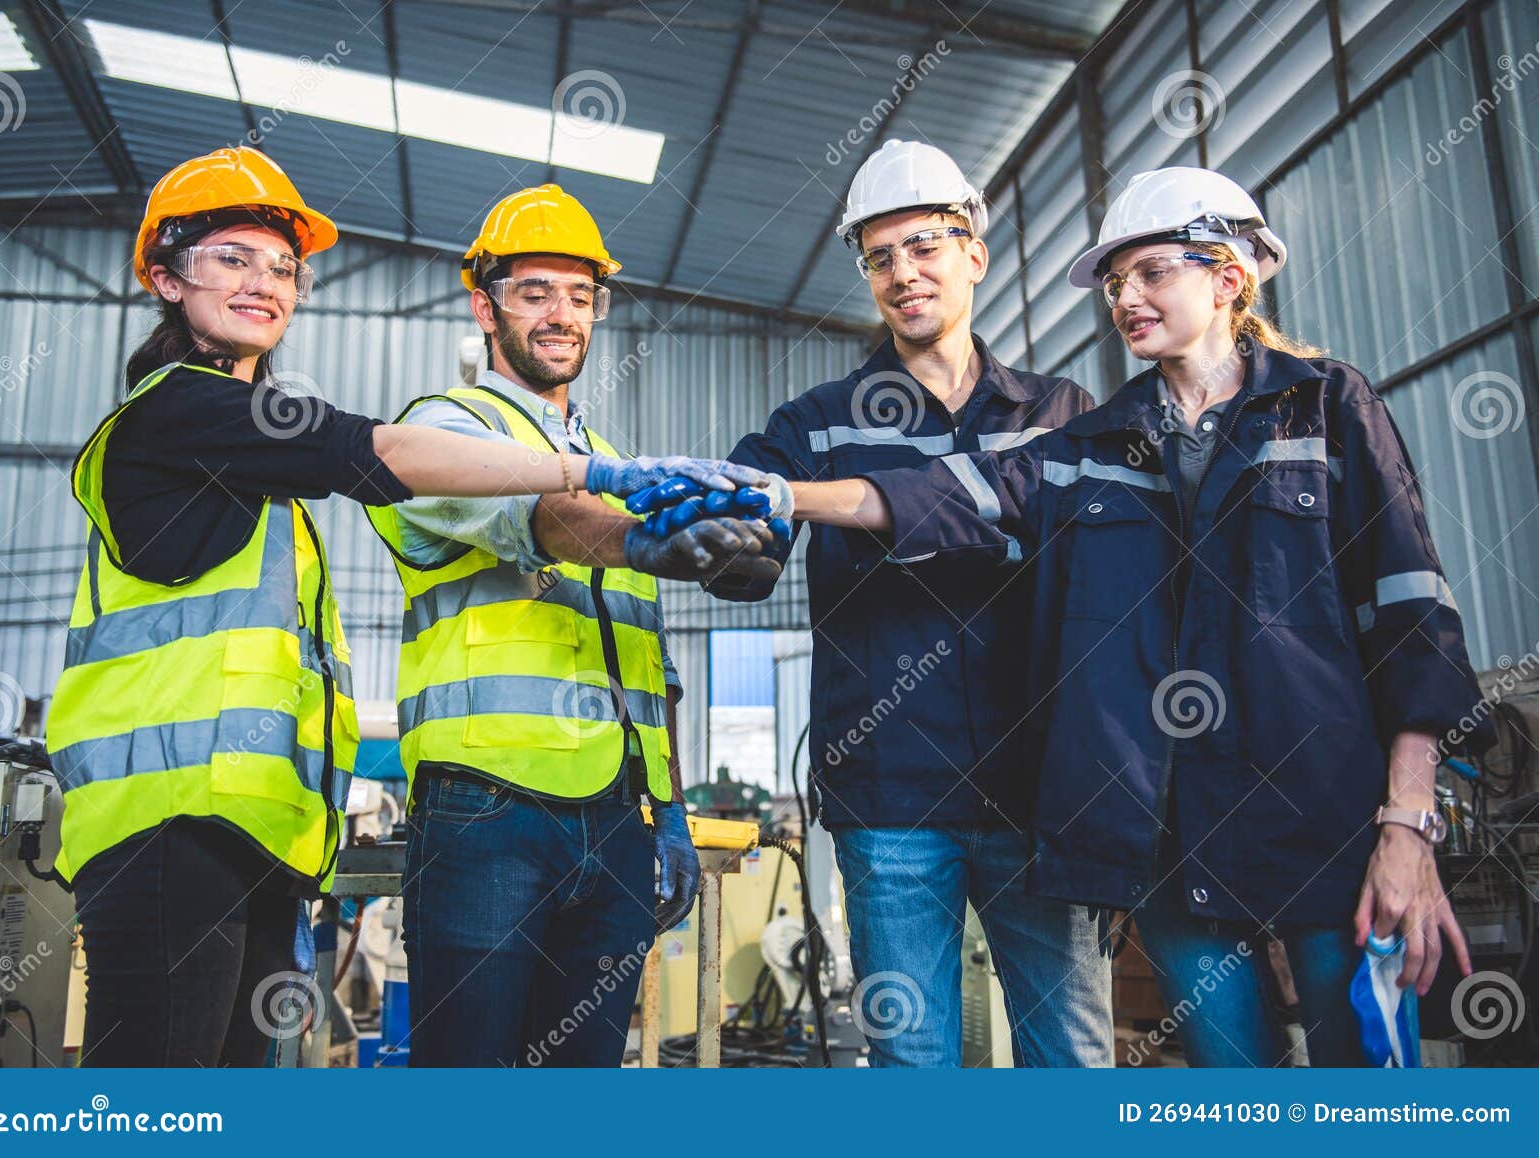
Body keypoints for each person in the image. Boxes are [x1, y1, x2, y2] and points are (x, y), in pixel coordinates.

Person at [43, 149, 767, 1068]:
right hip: (172, 825)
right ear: (163, 275)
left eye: (281, 266)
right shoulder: (177, 412)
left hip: (257, 834)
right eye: (232, 258)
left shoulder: (247, 455)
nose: (264, 283)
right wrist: (598, 480)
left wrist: (661, 803)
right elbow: (366, 452)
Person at [764, 167, 1488, 1065]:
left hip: (1329, 828)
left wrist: (1405, 825)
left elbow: (1413, 618)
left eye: (1150, 273)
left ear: (1228, 276)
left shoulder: (1331, 407)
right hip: (1174, 850)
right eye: (1115, 283)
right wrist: (779, 494)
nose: (1125, 299)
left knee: (1363, 1086)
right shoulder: (1092, 444)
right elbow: (946, 497)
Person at [705, 140, 1110, 1067]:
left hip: (1039, 790)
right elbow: (745, 548)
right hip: (888, 799)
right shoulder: (815, 423)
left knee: (1072, 1061)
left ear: (975, 252)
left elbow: (1094, 573)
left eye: (924, 246)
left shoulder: (1057, 410)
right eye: (880, 257)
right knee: (911, 1065)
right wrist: (706, 526)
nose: (903, 274)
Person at [364, 184, 777, 1067]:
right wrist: (644, 539)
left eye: (580, 296)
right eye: (535, 292)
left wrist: (665, 809)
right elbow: (546, 516)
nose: (562, 315)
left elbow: (646, 662)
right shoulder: (443, 427)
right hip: (487, 809)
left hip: (616, 816)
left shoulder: (620, 462)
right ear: (486, 306)